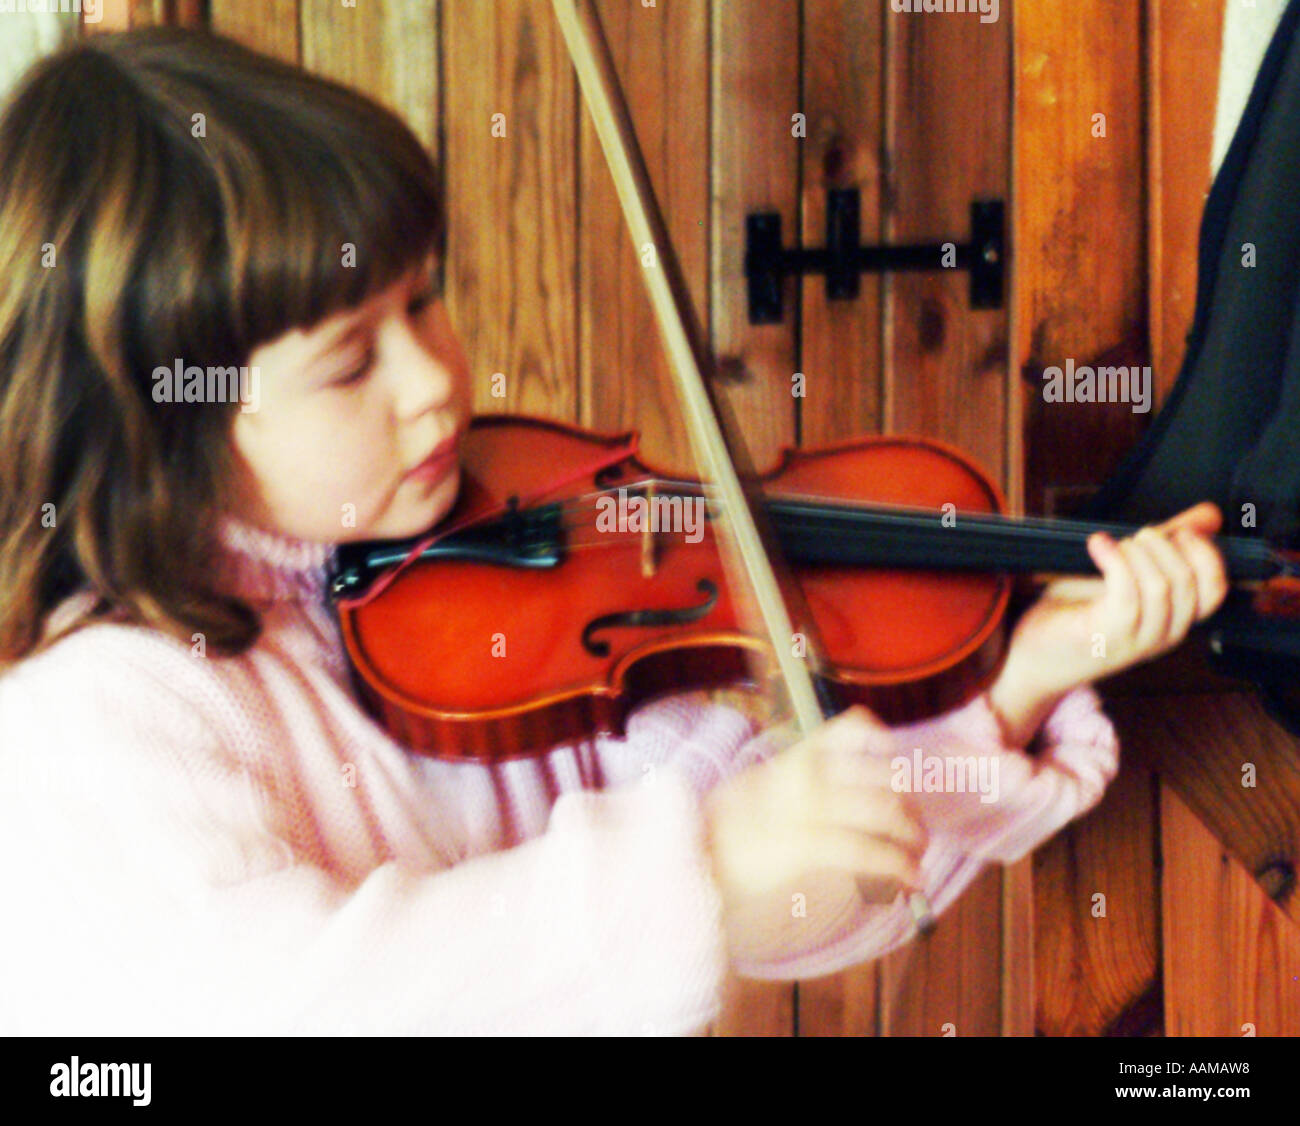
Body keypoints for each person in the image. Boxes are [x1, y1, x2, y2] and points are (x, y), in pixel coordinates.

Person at [0, 28, 1229, 1035]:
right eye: (349, 360)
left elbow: (812, 878)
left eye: (424, 301)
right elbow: (265, 1012)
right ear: (165, 419)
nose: (434, 380)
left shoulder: (474, 587)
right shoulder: (101, 710)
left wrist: (1010, 687)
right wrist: (691, 868)